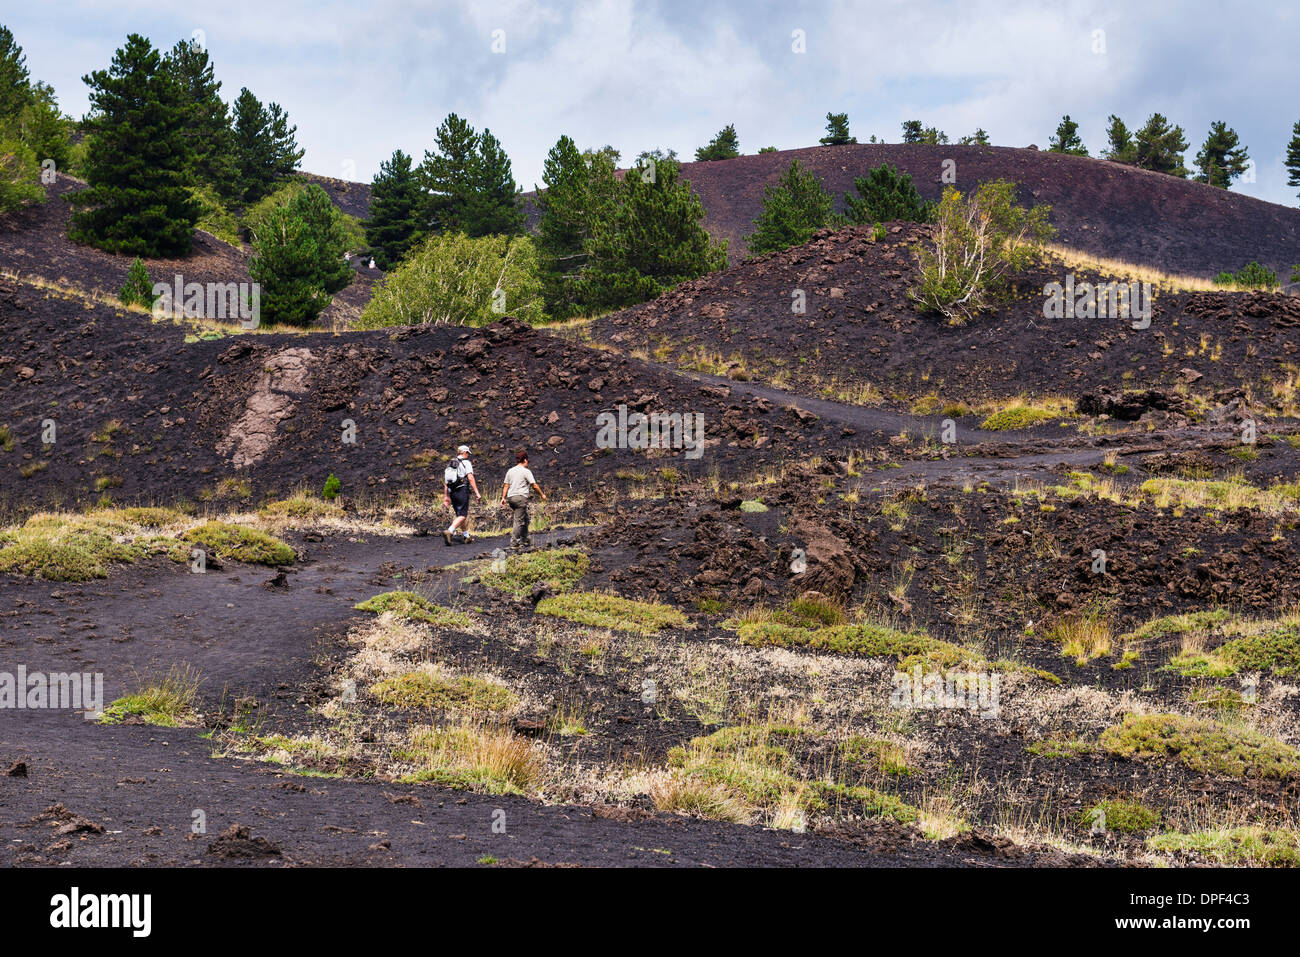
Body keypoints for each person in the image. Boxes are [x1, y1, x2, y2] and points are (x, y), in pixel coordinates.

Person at [500, 451, 546, 548]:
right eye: (527, 460)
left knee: (525, 518)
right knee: (518, 520)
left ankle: (525, 539)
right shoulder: (526, 471)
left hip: (511, 498)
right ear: (525, 460)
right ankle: (514, 543)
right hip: (520, 498)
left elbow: (506, 486)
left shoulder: (510, 471)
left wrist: (503, 498)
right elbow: (534, 485)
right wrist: (542, 495)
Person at [443, 444, 481, 545]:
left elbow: (446, 482)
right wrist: (477, 492)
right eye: (468, 453)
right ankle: (449, 531)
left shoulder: (451, 463)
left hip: (452, 492)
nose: (468, 455)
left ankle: (466, 536)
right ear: (464, 453)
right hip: (461, 490)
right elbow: (470, 478)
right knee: (463, 515)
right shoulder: (465, 462)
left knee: (459, 515)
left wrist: (446, 496)